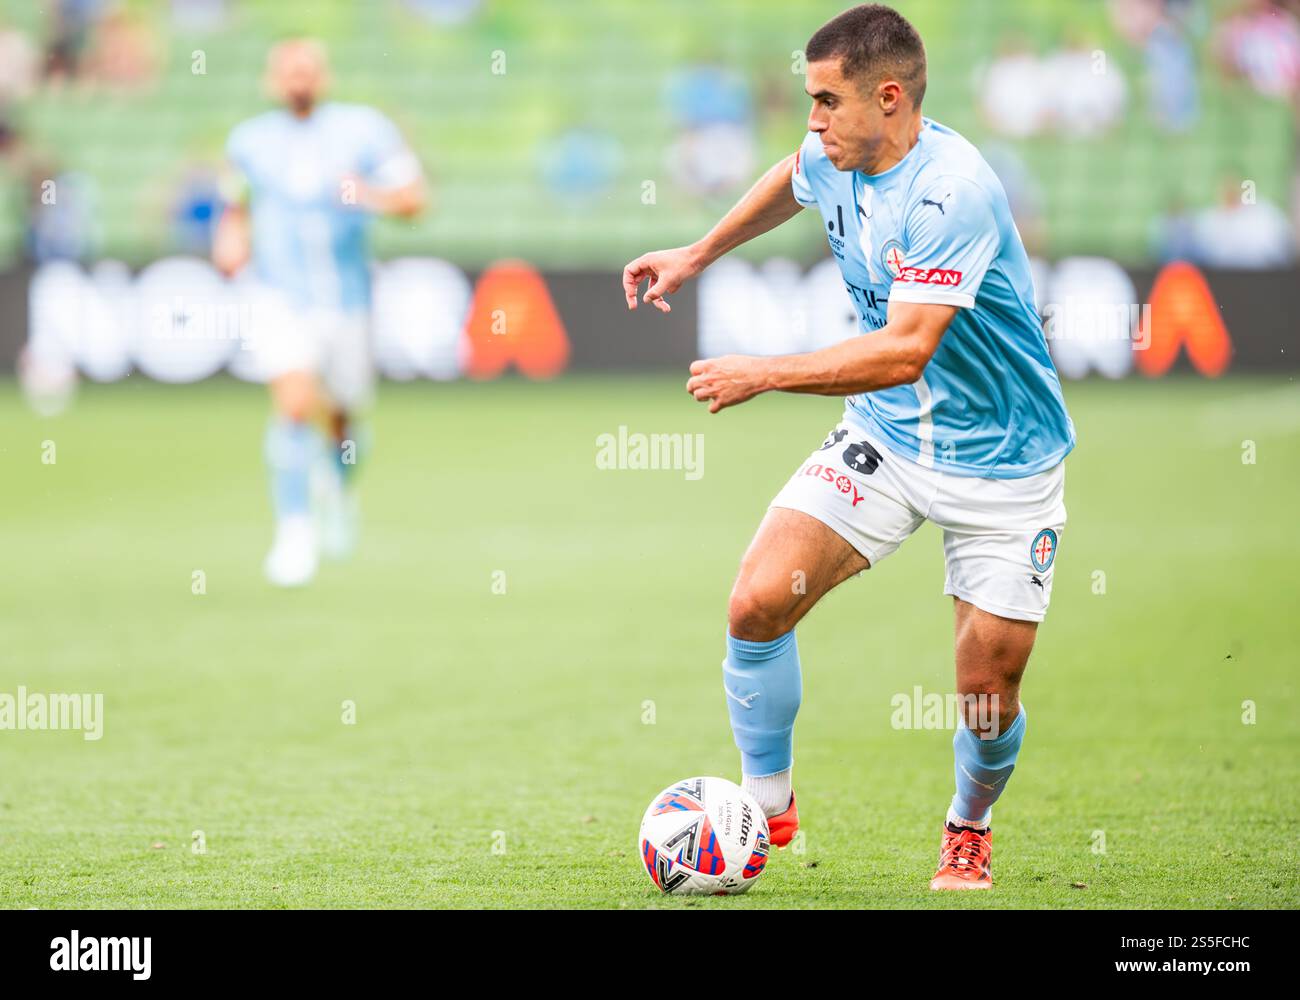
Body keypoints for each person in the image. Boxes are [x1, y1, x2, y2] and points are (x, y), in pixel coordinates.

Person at [622, 4, 1075, 890]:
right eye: (810, 99)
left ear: (890, 98)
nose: (814, 120)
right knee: (755, 603)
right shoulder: (837, 156)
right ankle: (765, 801)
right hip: (890, 437)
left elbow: (906, 349)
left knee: (988, 692)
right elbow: (789, 178)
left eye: (828, 101)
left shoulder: (955, 190)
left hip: (1003, 465)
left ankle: (968, 824)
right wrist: (698, 251)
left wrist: (766, 373)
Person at [213, 39, 425, 587]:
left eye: (306, 71)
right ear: (270, 80)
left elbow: (414, 199)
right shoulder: (249, 142)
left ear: (324, 77)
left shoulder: (364, 130)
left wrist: (369, 196)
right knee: (293, 402)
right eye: (287, 72)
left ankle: (339, 486)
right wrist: (231, 241)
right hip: (281, 296)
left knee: (344, 417)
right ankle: (294, 532)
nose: (297, 81)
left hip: (349, 299)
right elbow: (235, 208)